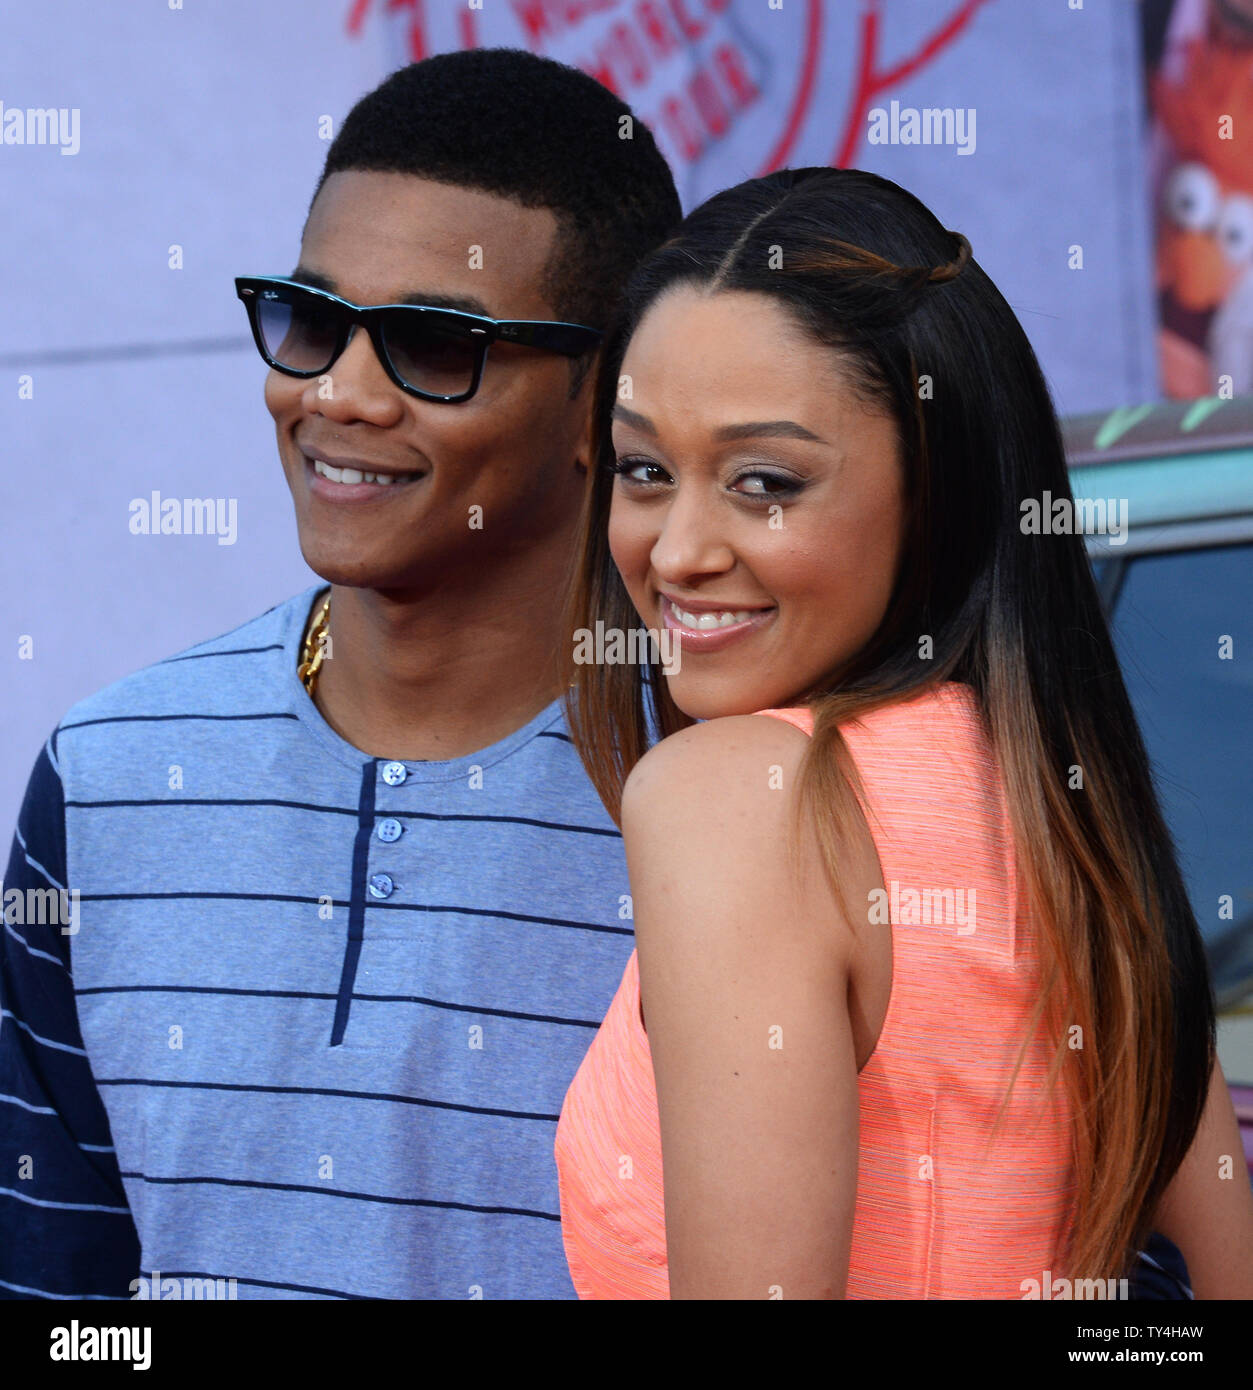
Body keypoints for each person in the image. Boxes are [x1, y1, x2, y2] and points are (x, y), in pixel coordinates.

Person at [0, 48, 681, 1300]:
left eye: (433, 342)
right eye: (311, 322)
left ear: (604, 402)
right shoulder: (105, 780)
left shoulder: (735, 794)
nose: (336, 394)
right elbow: (59, 1296)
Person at [555, 166, 1253, 1299]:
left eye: (763, 481)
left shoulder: (739, 798)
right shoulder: (1062, 810)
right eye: (643, 469)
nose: (676, 549)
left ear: (937, 489)